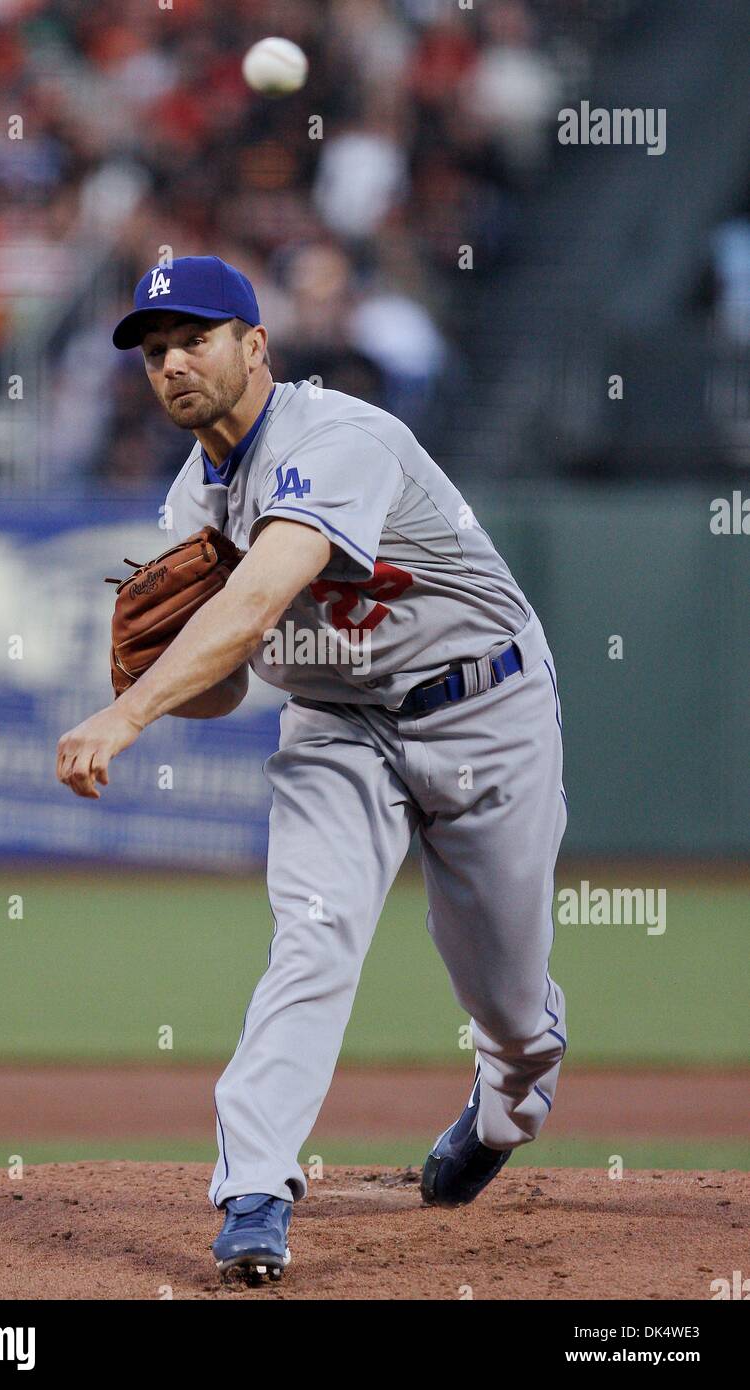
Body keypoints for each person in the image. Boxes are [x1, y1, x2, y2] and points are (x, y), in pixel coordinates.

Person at [57, 255, 568, 1285]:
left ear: (255, 346)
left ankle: (508, 1100)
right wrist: (162, 668)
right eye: (154, 351)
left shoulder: (334, 436)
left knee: (506, 995)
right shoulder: (189, 503)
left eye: (194, 339)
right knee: (313, 930)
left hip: (483, 707)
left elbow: (254, 602)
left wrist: (124, 711)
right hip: (336, 724)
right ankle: (253, 1189)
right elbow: (231, 681)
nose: (171, 364)